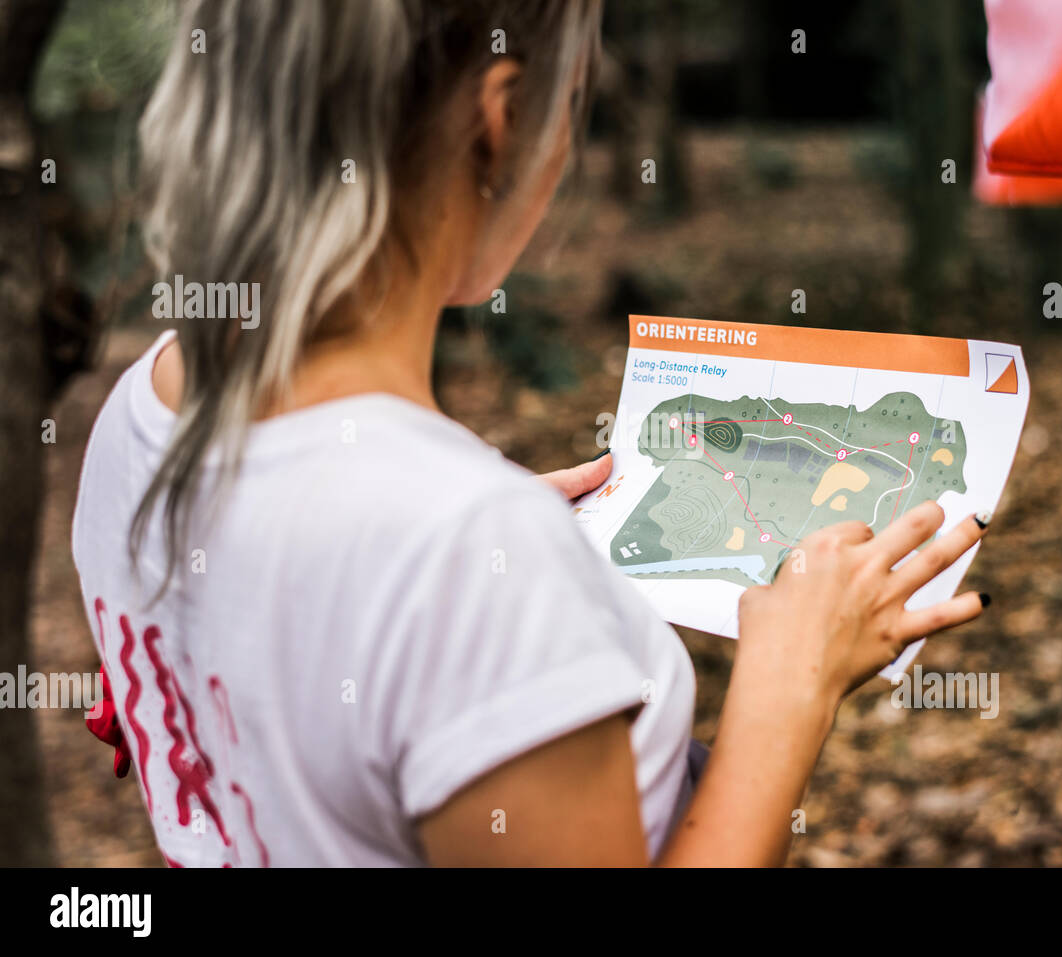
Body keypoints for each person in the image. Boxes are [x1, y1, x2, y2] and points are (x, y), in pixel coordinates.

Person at [72, 0, 992, 867]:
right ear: (500, 117)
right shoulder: (461, 552)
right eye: (574, 99)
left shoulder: (141, 409)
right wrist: (790, 687)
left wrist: (478, 547)